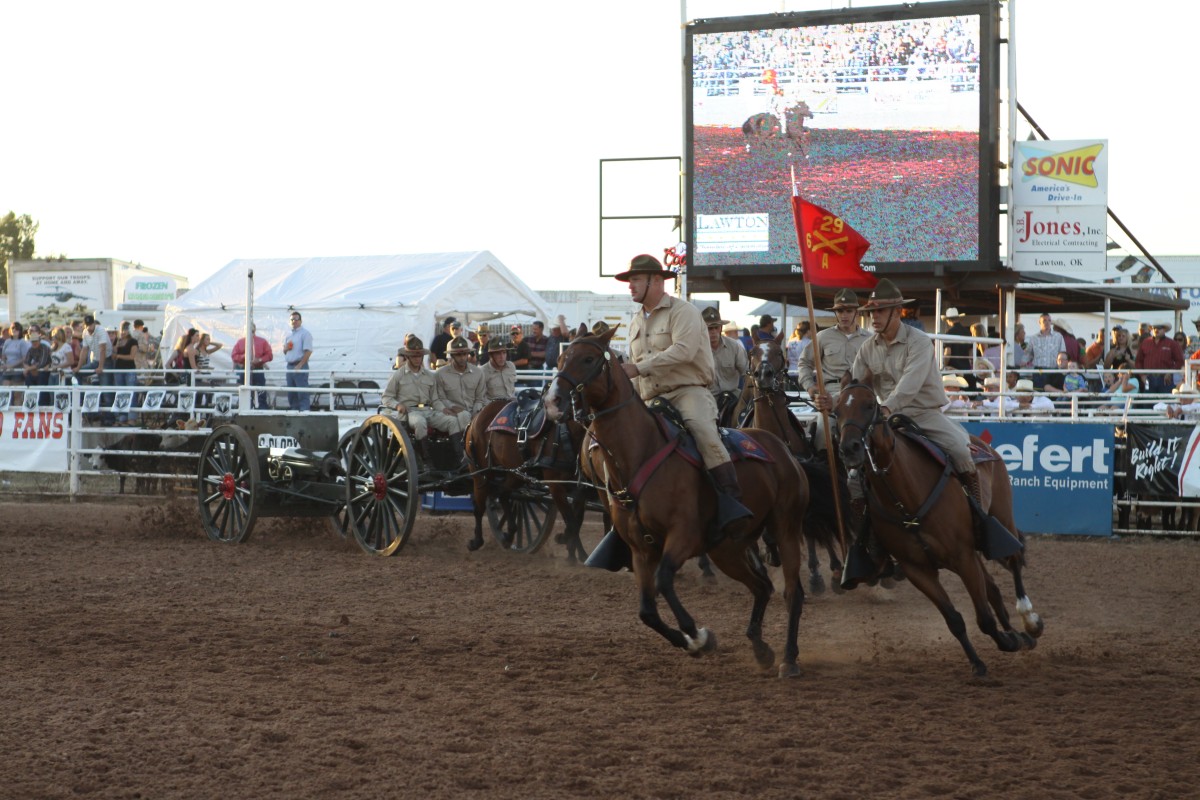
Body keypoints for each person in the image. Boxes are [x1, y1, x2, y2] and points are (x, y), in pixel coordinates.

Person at [618, 253, 751, 535]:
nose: (630, 286)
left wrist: (639, 368)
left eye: (635, 280)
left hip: (688, 392)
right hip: (650, 398)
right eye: (630, 281)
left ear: (656, 281)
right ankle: (625, 517)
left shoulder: (684, 311)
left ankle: (731, 503)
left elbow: (684, 351)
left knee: (704, 432)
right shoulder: (636, 321)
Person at [798, 288, 871, 452]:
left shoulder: (869, 340)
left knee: (878, 435)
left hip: (859, 396)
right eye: (840, 311)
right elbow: (804, 363)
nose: (844, 315)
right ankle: (824, 471)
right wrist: (811, 387)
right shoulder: (822, 337)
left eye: (848, 310)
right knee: (823, 436)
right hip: (829, 396)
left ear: (856, 312)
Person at [382, 336, 458, 443]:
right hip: (409, 413)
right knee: (420, 422)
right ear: (407, 357)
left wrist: (444, 409)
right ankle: (424, 456)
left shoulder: (429, 376)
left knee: (452, 421)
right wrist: (397, 405)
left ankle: (458, 456)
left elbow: (435, 400)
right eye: (414, 356)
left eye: (420, 356)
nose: (417, 359)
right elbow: (386, 397)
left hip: (428, 411)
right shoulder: (398, 375)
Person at [434, 335, 487, 434]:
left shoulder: (478, 373)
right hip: (451, 413)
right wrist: (453, 407)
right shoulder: (440, 374)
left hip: (474, 411)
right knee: (463, 416)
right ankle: (465, 446)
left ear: (468, 354)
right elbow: (440, 398)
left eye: (464, 354)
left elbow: (480, 398)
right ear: (452, 355)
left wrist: (476, 412)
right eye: (458, 355)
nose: (462, 358)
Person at [703, 306, 747, 400]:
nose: (713, 332)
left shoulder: (734, 346)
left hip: (733, 395)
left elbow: (747, 373)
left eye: (716, 327)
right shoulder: (695, 349)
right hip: (706, 398)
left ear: (721, 328)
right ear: (702, 329)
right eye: (710, 328)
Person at [231, 324, 274, 409]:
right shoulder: (240, 342)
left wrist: (260, 360)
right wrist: (244, 357)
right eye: (249, 330)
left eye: (252, 330)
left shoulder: (262, 341)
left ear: (255, 330)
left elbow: (269, 355)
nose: (251, 332)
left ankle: (262, 409)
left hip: (258, 369)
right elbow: (234, 356)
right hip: (245, 369)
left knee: (261, 391)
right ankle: (245, 408)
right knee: (245, 391)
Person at [1135, 322, 1183, 395]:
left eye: (1159, 328)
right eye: (1154, 328)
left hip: (1165, 378)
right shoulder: (1145, 342)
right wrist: (1142, 375)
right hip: (1148, 378)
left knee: (1165, 402)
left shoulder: (1172, 343)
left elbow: (1179, 361)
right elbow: (1138, 361)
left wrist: (1170, 372)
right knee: (1147, 402)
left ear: (1164, 330)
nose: (1156, 330)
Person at [283, 311, 313, 411]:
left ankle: (305, 412)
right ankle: (294, 411)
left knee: (302, 392)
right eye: (292, 319)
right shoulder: (288, 335)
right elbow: (285, 351)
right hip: (290, 366)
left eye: (296, 319)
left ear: (300, 321)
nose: (294, 321)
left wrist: (300, 365)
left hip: (300, 366)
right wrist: (286, 348)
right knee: (291, 392)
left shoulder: (305, 334)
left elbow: (308, 351)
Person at [1029, 313, 1066, 389]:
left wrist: (1063, 368)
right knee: (1038, 393)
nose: (1047, 322)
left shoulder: (1058, 336)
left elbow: (1062, 352)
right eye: (1044, 320)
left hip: (1053, 370)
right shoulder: (1033, 338)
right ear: (1039, 322)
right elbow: (1028, 355)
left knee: (1052, 395)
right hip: (1039, 371)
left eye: (1049, 320)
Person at [941, 307, 973, 388]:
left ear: (948, 320)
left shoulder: (949, 333)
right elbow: (971, 352)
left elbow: (948, 352)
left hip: (953, 369)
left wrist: (944, 365)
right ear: (958, 318)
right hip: (966, 368)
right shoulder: (967, 332)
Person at [22, 324, 52, 400]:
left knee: (42, 392)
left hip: (44, 373)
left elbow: (42, 362)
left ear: (39, 340)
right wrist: (28, 368)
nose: (34, 343)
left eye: (35, 341)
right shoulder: (31, 349)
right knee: (30, 387)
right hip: (34, 372)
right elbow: (26, 361)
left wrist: (28, 369)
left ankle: (42, 405)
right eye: (32, 341)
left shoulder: (44, 348)